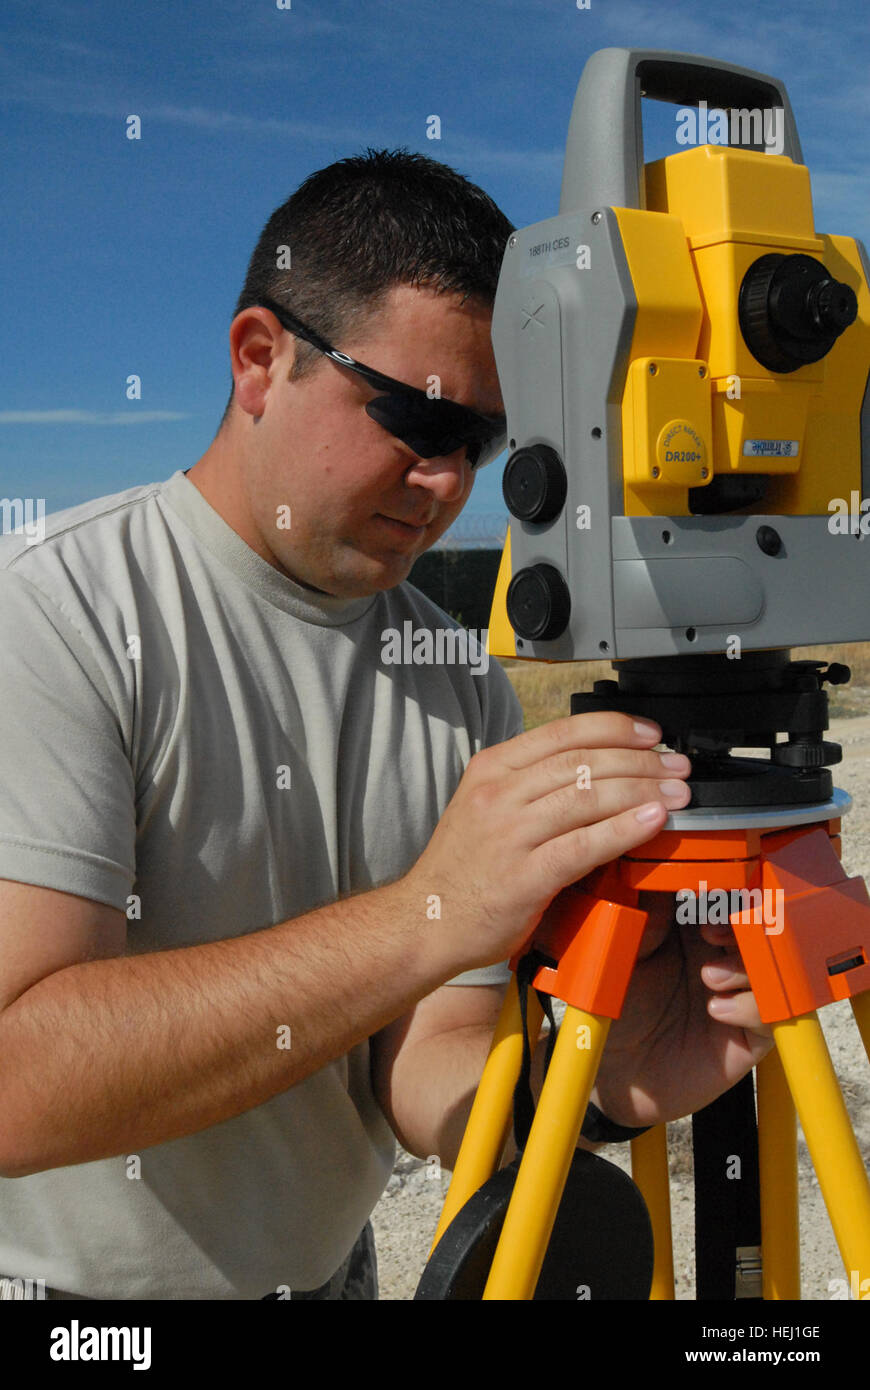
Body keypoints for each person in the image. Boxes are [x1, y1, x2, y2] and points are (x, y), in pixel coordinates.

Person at [0, 148, 771, 1301]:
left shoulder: (455, 677)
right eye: (418, 416)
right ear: (261, 360)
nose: (449, 482)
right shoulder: (53, 613)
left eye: (483, 442)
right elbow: (18, 1079)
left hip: (327, 1279)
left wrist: (600, 1080)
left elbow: (417, 1060)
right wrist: (431, 912)